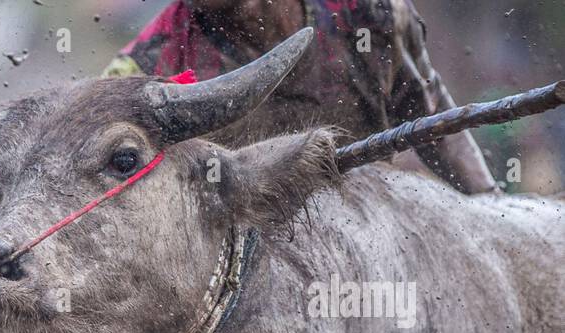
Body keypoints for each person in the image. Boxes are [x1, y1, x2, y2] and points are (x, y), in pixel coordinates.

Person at [103, 0, 497, 193]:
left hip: (380, 229)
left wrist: (491, 207)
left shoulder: (369, 13)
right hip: (247, 278)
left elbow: (433, 121)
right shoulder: (148, 68)